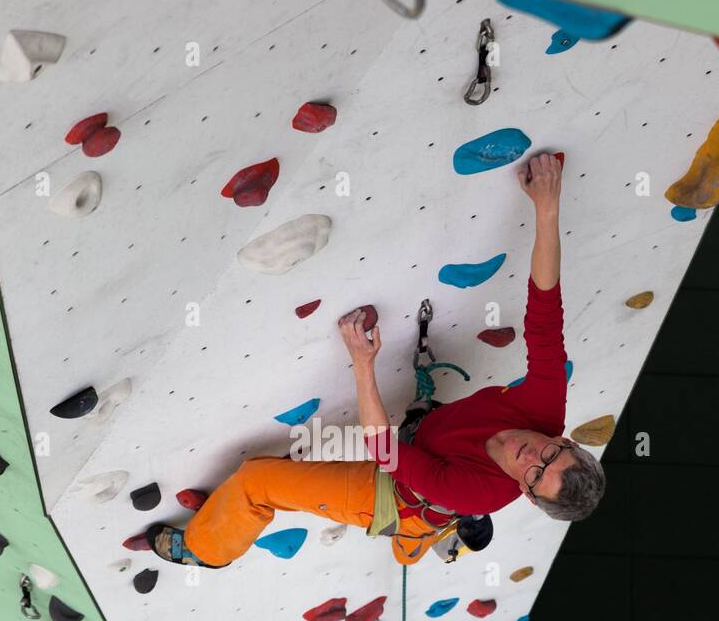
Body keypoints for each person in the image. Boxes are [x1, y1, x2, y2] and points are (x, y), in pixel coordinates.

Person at [147, 152, 605, 569]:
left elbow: (384, 451)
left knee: (258, 480)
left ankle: (206, 551)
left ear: (525, 493)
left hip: (390, 492)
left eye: (534, 476)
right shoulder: (544, 406)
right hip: (428, 461)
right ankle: (425, 538)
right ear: (564, 440)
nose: (531, 458)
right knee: (412, 541)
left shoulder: (477, 489)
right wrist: (547, 208)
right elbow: (546, 311)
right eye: (550, 455)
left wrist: (363, 365)